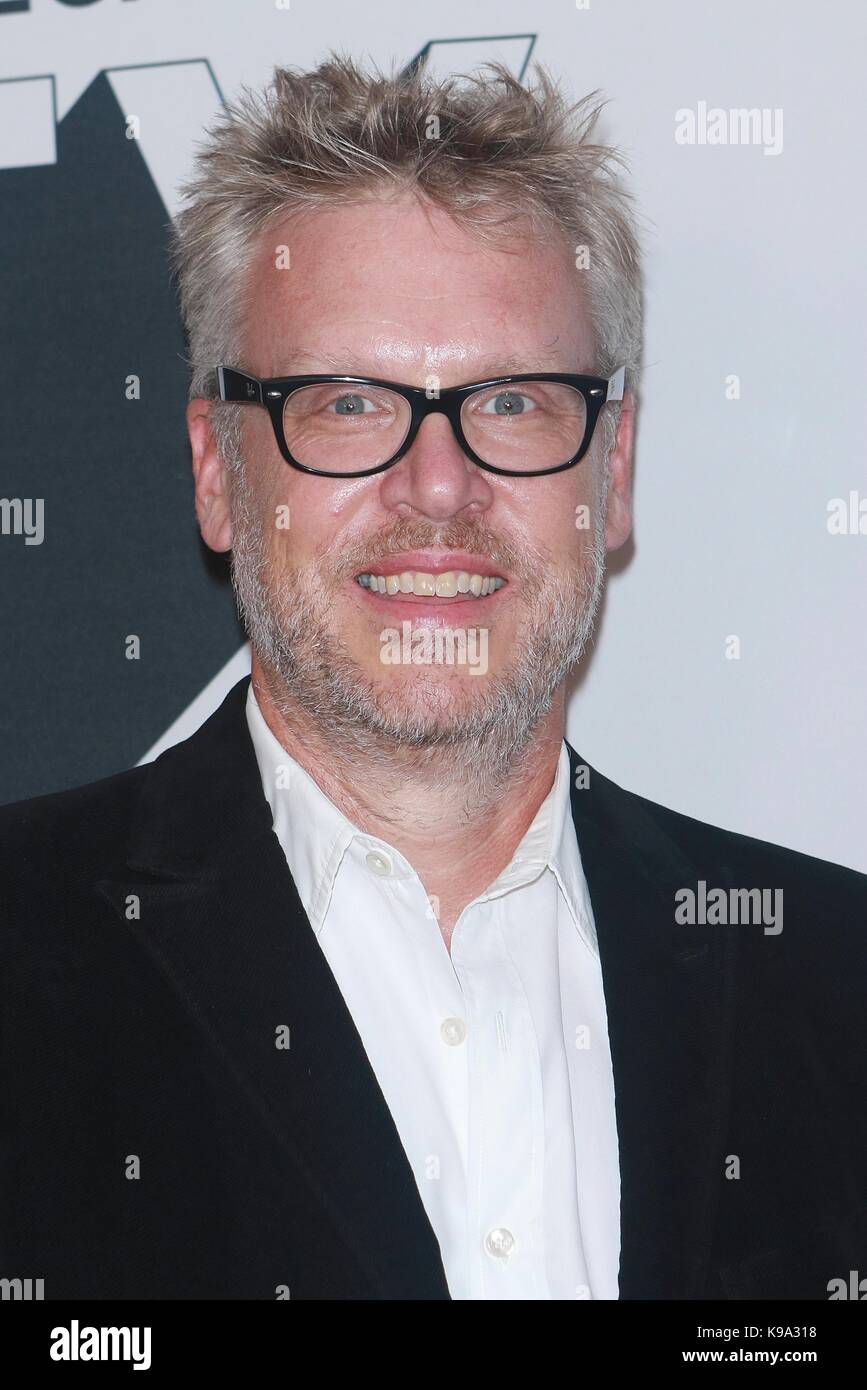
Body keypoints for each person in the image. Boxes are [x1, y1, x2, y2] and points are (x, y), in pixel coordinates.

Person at [1, 53, 864, 1302]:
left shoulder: (835, 978)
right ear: (214, 471)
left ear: (610, 473)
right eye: (349, 402)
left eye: (510, 400)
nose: (440, 488)